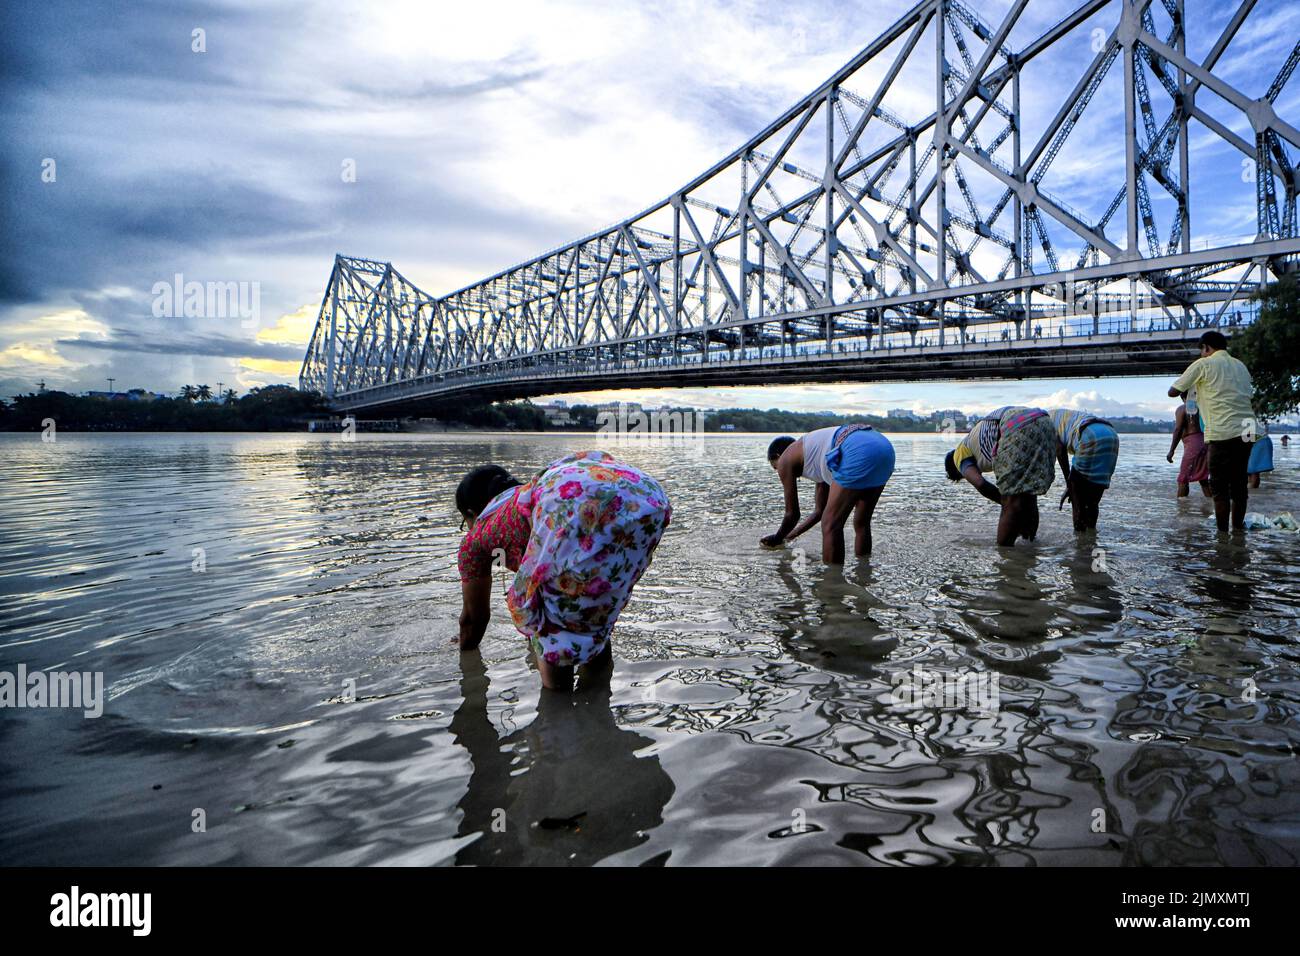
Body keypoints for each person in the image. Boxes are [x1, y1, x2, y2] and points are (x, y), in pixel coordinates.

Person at [454, 451, 672, 691]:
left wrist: (464, 658)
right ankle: (597, 707)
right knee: (593, 617)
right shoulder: (530, 499)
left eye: (466, 522)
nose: (469, 529)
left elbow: (474, 619)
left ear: (472, 514)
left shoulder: (476, 538)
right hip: (646, 499)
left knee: (555, 633)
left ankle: (558, 714)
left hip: (578, 508)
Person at [762, 424, 896, 563]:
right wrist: (790, 535)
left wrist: (777, 538)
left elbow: (792, 515)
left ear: (778, 456)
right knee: (861, 522)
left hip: (856, 447)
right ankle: (863, 570)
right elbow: (819, 511)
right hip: (884, 447)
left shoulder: (785, 459)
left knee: (831, 524)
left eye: (775, 467)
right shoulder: (815, 453)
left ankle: (833, 582)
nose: (779, 472)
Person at [1167, 330, 1256, 532]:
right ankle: (1238, 530)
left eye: (1202, 351)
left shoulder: (1203, 364)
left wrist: (1193, 386)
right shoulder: (1241, 366)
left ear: (1206, 347)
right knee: (1240, 484)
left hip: (1222, 430)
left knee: (1220, 487)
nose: (1201, 354)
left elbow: (1173, 392)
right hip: (1248, 429)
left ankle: (1223, 537)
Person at [944, 406, 1056, 546]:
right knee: (1029, 495)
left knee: (1011, 501)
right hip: (1044, 422)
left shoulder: (958, 456)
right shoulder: (975, 441)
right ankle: (1030, 547)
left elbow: (980, 483)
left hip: (1016, 425)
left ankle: (1005, 555)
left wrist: (1006, 503)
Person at [1050, 408, 1120, 531]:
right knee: (1093, 502)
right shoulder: (1059, 415)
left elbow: (1060, 451)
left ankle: (1080, 542)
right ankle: (1091, 540)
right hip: (1112, 435)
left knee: (1079, 504)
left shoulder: (1046, 423)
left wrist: (1070, 484)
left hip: (1089, 434)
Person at [1167, 391, 1211, 498]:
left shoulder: (1182, 408)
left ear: (1183, 397)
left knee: (1183, 479)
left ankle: (1182, 509)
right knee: (1204, 479)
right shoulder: (1203, 409)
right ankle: (1212, 506)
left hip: (1193, 445)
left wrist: (1172, 450)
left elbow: (1178, 430)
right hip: (1206, 442)